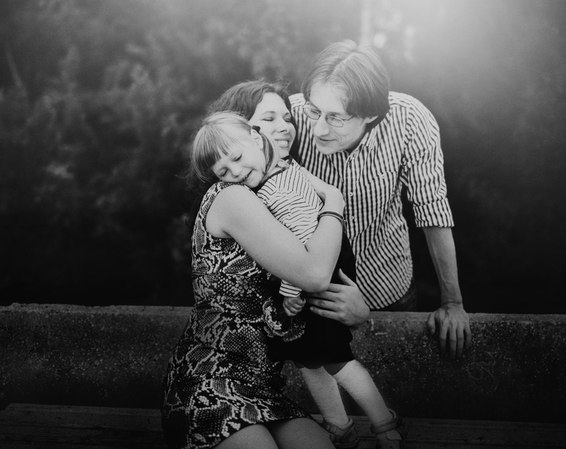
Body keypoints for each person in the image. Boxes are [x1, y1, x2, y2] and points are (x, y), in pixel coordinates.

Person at [209, 81, 404, 448]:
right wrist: (333, 198)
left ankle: (382, 424)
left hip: (308, 286)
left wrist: (292, 290)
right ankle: (341, 425)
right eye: (269, 119)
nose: (285, 127)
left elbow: (305, 247)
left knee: (334, 360)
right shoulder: (254, 184)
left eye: (287, 118)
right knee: (311, 361)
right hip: (284, 309)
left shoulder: (281, 181)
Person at [161, 111, 345, 448]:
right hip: (209, 381)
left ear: (256, 139)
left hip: (264, 387)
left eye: (236, 158)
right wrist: (334, 201)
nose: (234, 172)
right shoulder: (231, 196)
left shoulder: (276, 195)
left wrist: (356, 305)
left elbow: (318, 276)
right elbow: (316, 274)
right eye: (223, 170)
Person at [289, 39, 471, 358]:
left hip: (387, 285)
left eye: (336, 117)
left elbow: (432, 210)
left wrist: (452, 302)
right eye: (314, 110)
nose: (317, 129)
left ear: (370, 114)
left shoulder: (410, 119)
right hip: (307, 295)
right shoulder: (287, 118)